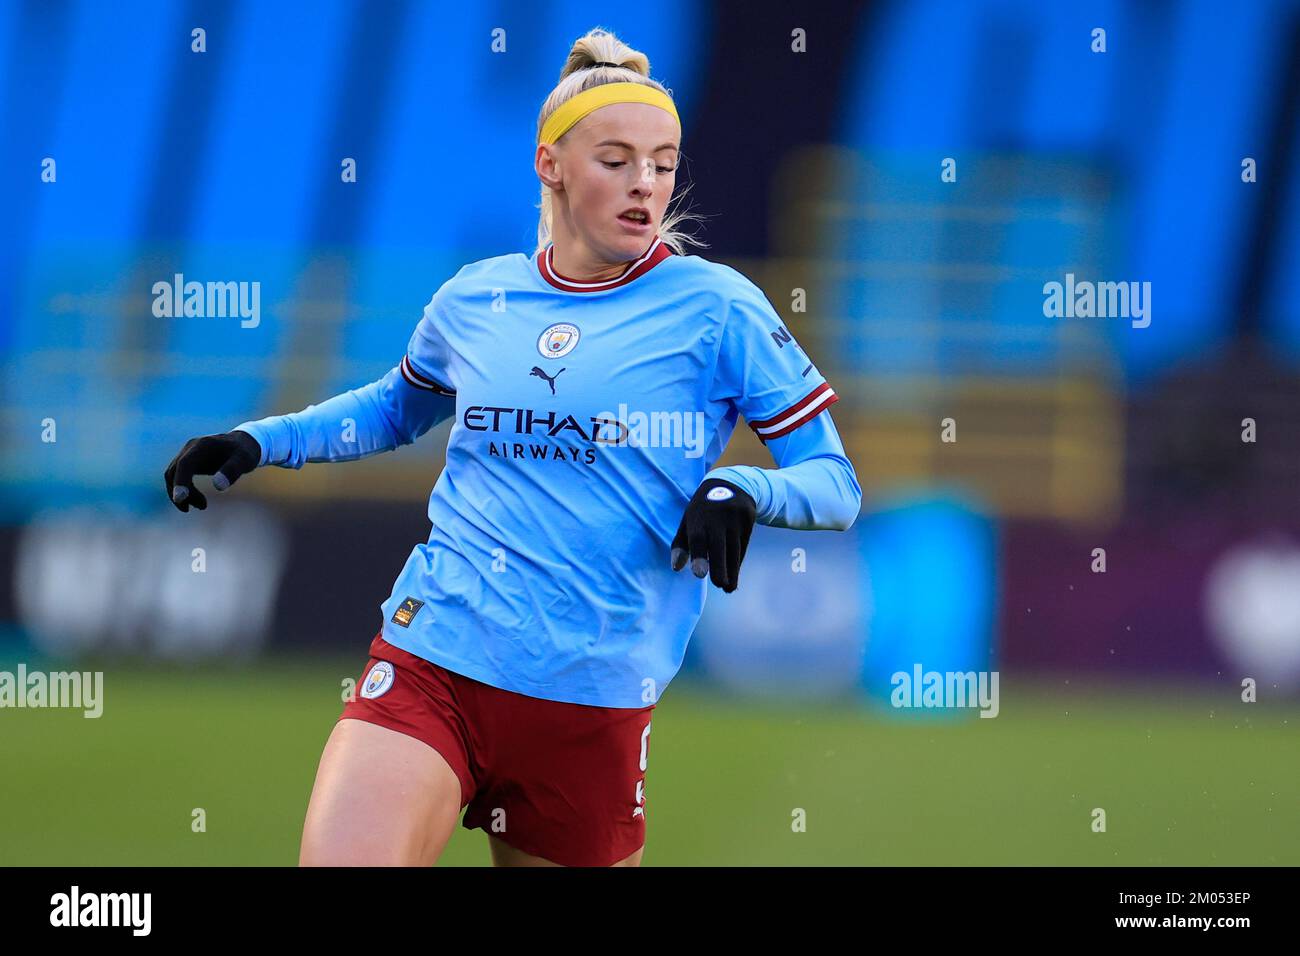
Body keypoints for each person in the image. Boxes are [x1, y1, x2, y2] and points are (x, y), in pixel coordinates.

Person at [163, 27, 862, 867]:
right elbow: (395, 410)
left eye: (664, 162)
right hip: (435, 660)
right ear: (551, 165)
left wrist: (744, 489)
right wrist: (257, 440)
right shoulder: (476, 296)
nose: (646, 184)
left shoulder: (719, 309)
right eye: (616, 159)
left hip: (591, 706)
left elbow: (835, 482)